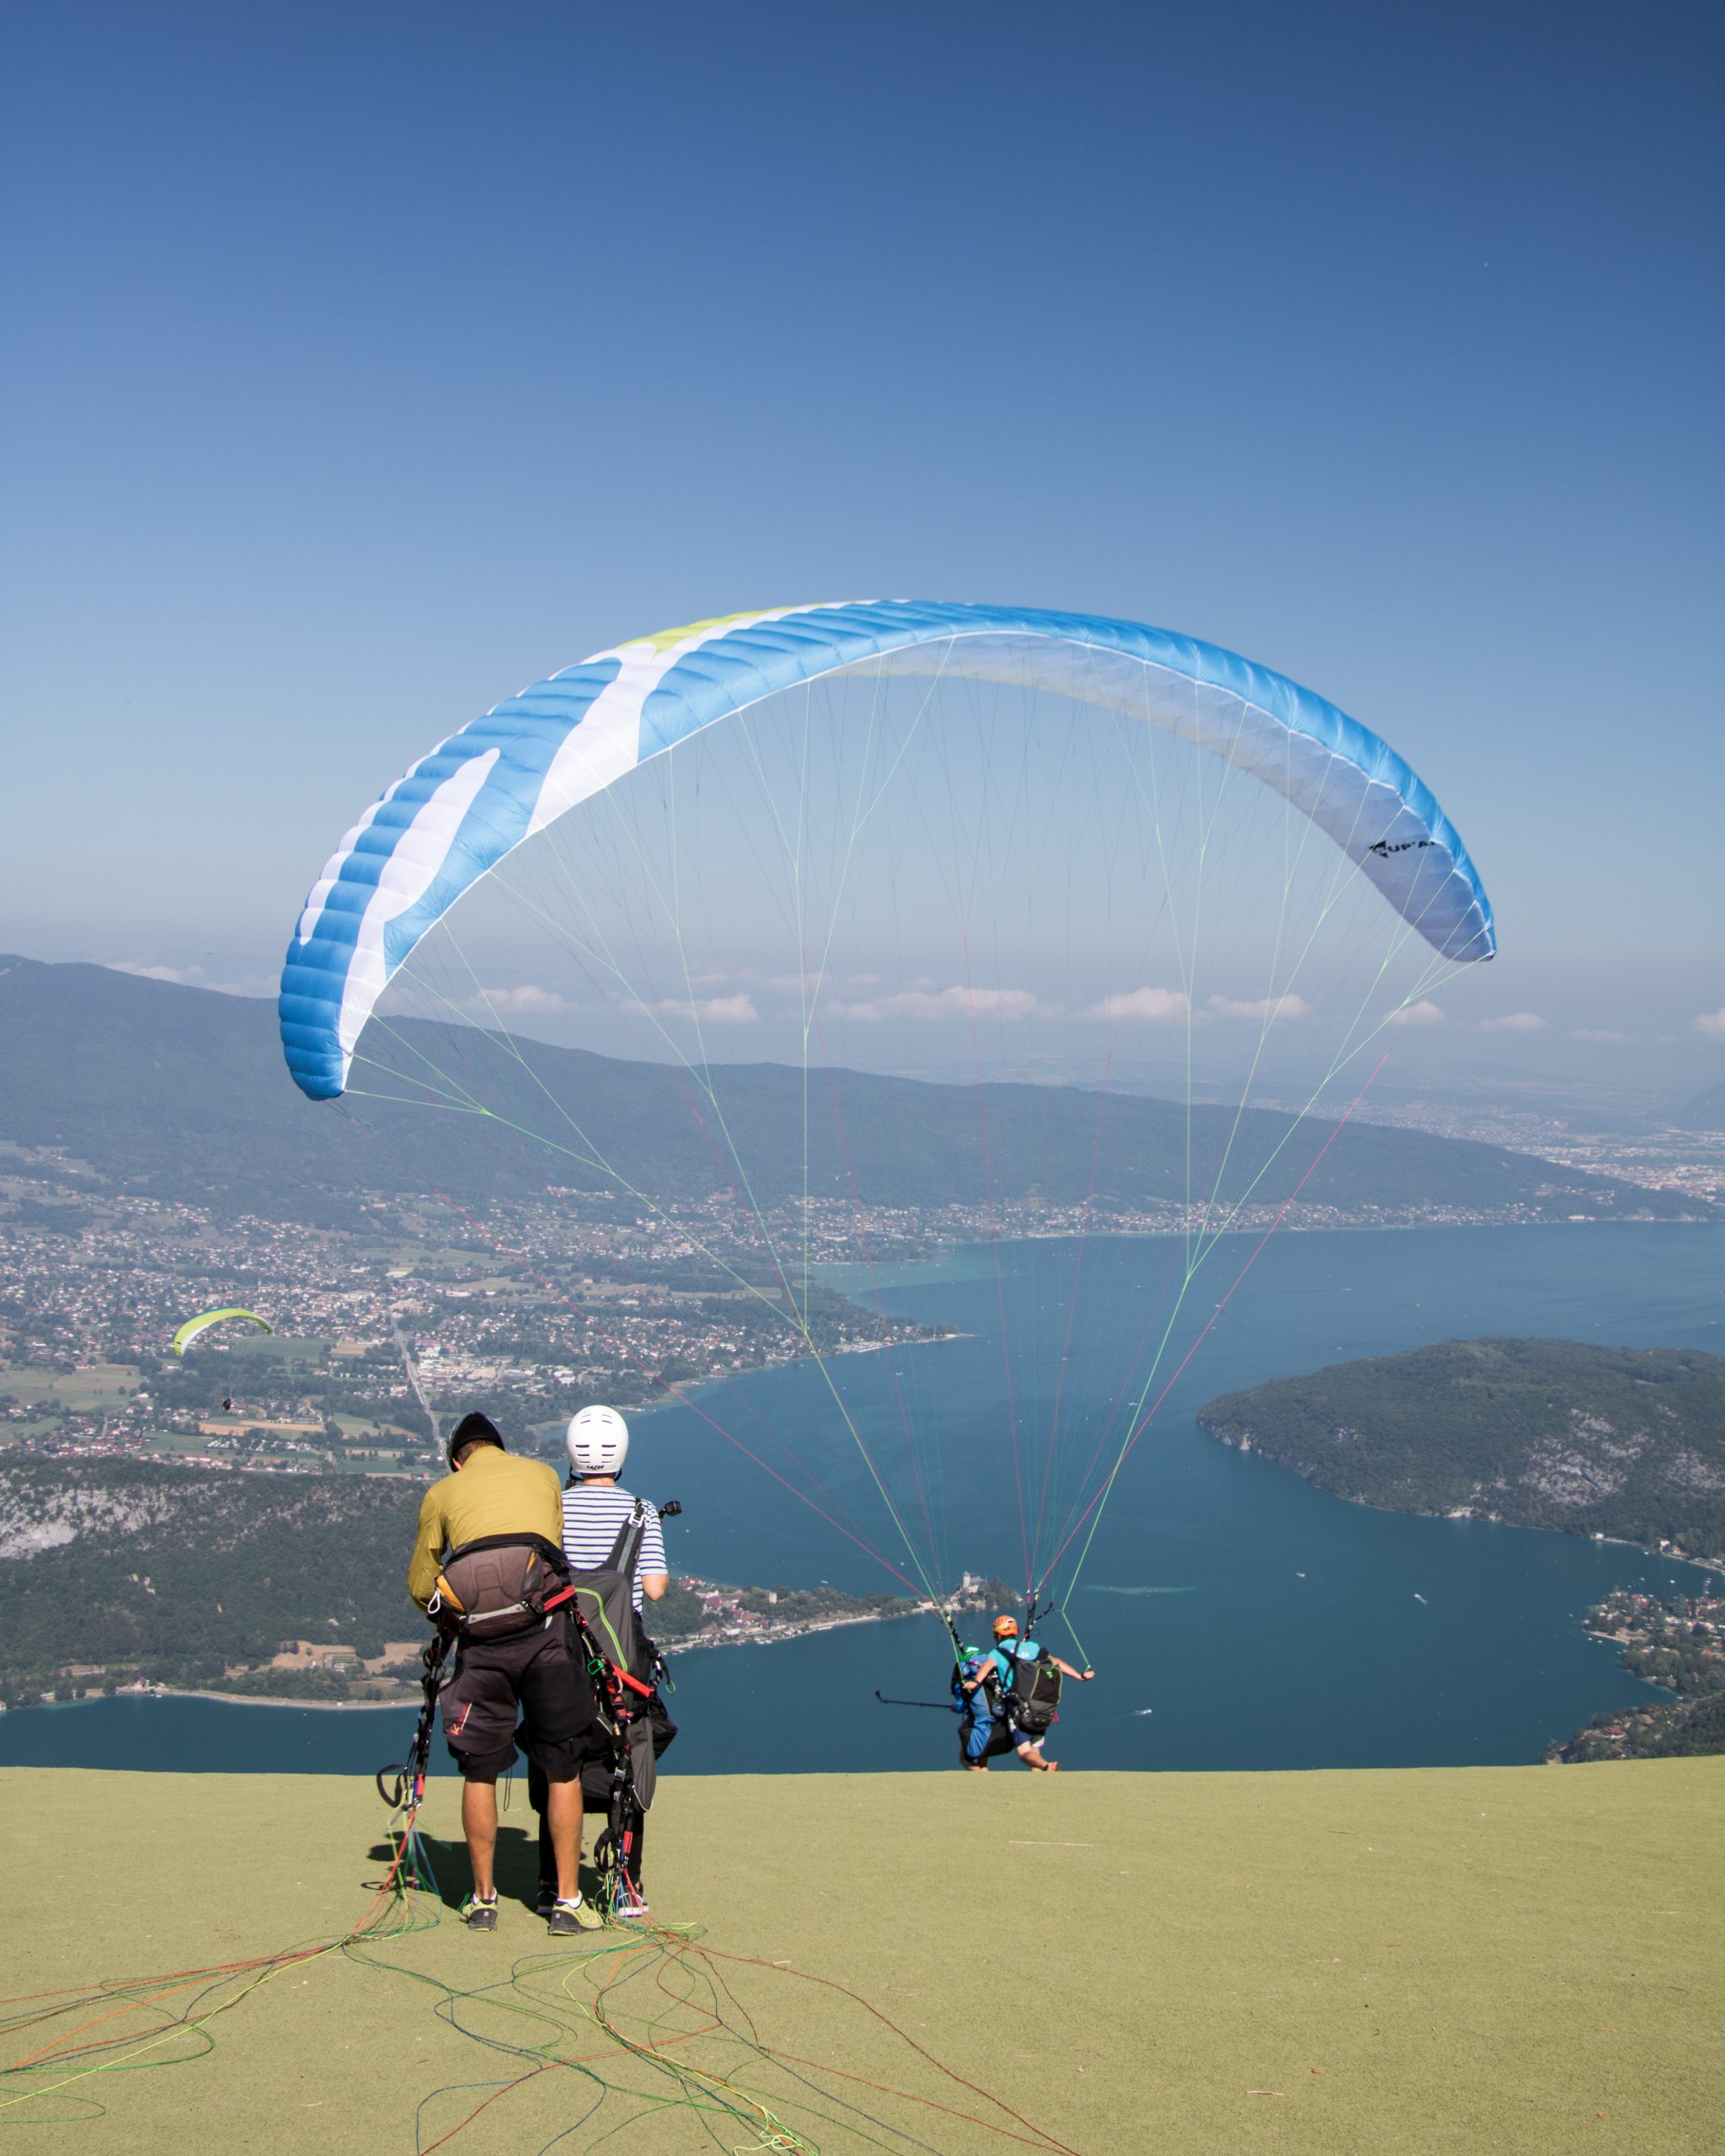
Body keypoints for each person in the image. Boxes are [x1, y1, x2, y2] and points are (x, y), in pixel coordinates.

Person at [406, 1410, 602, 1936]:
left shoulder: (442, 1493)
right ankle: (567, 1902)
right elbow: (553, 1548)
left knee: (479, 1770)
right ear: (501, 1448)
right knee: (563, 1766)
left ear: (455, 1461)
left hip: (480, 1643)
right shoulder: (540, 1474)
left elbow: (421, 1586)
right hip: (547, 1636)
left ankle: (482, 1900)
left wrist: (456, 1618)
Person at [531, 1403, 670, 1921]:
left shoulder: (554, 1510)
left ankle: (551, 1881)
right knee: (629, 1756)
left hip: (560, 1650)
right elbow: (653, 1590)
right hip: (622, 1658)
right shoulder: (642, 1511)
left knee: (554, 1757)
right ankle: (625, 1886)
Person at [964, 1614, 1094, 1771]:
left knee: (1024, 1752)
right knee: (1035, 1749)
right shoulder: (1033, 1647)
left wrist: (975, 1682)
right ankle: (1040, 1782)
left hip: (1018, 1708)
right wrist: (1080, 1676)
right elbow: (1056, 1662)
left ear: (998, 1635)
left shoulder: (997, 1652)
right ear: (1016, 1631)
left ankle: (1046, 1765)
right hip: (1042, 1706)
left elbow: (985, 1668)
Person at [953, 1640, 1014, 1772]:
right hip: (998, 1715)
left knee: (963, 1758)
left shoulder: (967, 1675)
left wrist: (956, 1708)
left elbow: (962, 1703)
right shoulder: (990, 1669)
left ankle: (981, 1775)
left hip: (980, 1719)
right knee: (984, 1754)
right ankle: (984, 1773)